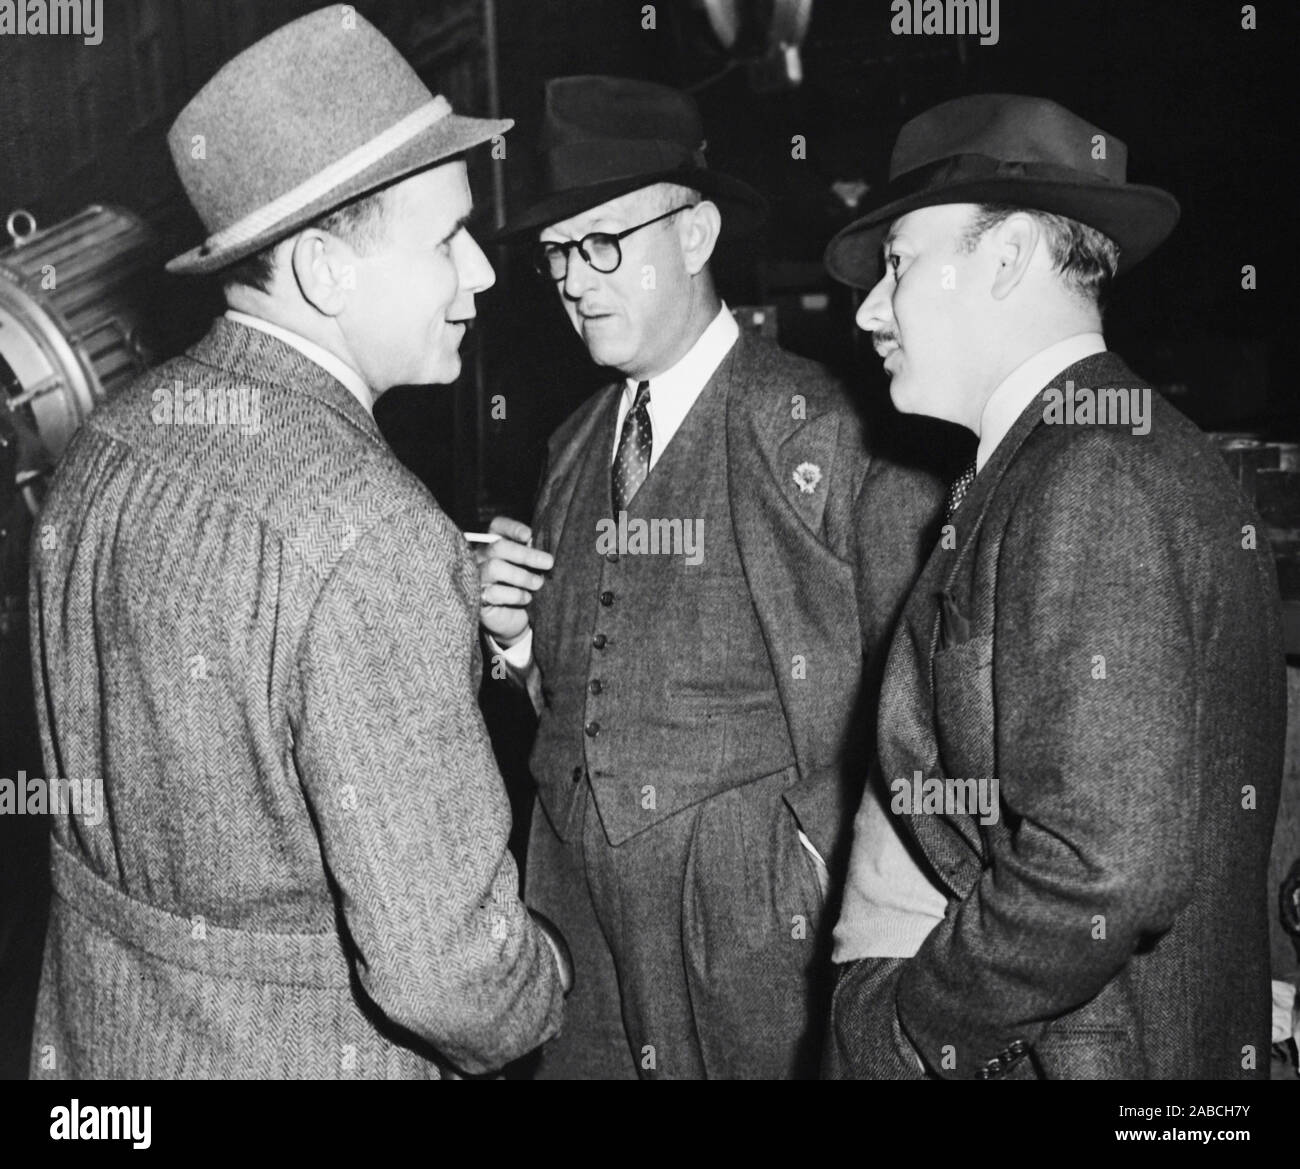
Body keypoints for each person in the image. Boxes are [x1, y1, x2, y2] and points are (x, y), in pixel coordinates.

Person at [28, 8, 566, 1080]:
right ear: (324, 270)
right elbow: (442, 976)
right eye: (446, 240)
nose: (484, 275)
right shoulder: (371, 532)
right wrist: (550, 975)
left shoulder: (111, 442)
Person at [478, 75, 942, 1079]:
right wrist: (513, 638)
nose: (573, 278)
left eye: (603, 242)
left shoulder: (824, 426)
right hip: (578, 922)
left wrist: (805, 868)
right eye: (559, 251)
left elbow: (914, 694)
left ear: (695, 235)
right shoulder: (567, 447)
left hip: (752, 929)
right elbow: (577, 697)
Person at [823, 93, 1286, 1080]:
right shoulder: (1079, 450)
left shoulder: (1091, 474)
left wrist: (910, 1018)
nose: (866, 308)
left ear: (1005, 259)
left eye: (896, 264)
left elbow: (1105, 865)